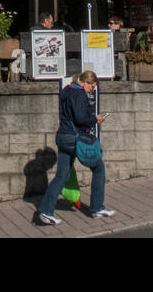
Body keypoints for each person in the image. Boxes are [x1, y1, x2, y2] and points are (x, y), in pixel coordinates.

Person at [38, 70, 113, 224]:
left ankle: (46, 211)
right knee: (99, 168)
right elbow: (80, 118)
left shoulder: (67, 90)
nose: (92, 91)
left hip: (63, 137)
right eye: (92, 87)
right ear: (86, 83)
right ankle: (97, 208)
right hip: (74, 138)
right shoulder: (79, 94)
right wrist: (95, 119)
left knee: (62, 175)